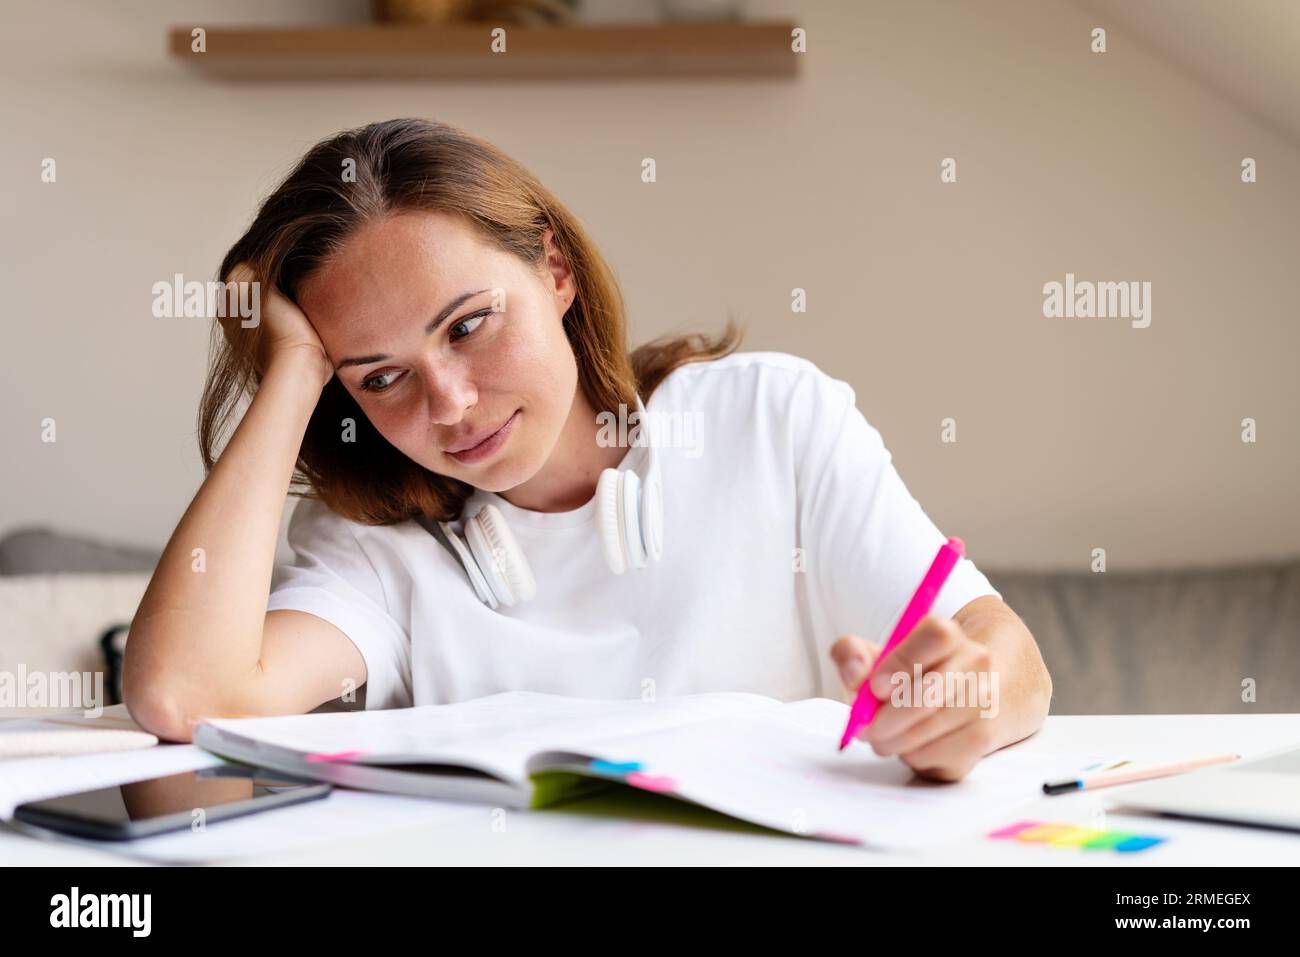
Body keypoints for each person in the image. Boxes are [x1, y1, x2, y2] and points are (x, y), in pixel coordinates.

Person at [123, 118, 1051, 782]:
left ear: (555, 271)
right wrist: (289, 368)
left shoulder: (767, 417)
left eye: (470, 325)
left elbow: (1012, 662)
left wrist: (966, 702)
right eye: (380, 376)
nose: (450, 404)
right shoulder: (374, 541)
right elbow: (184, 693)